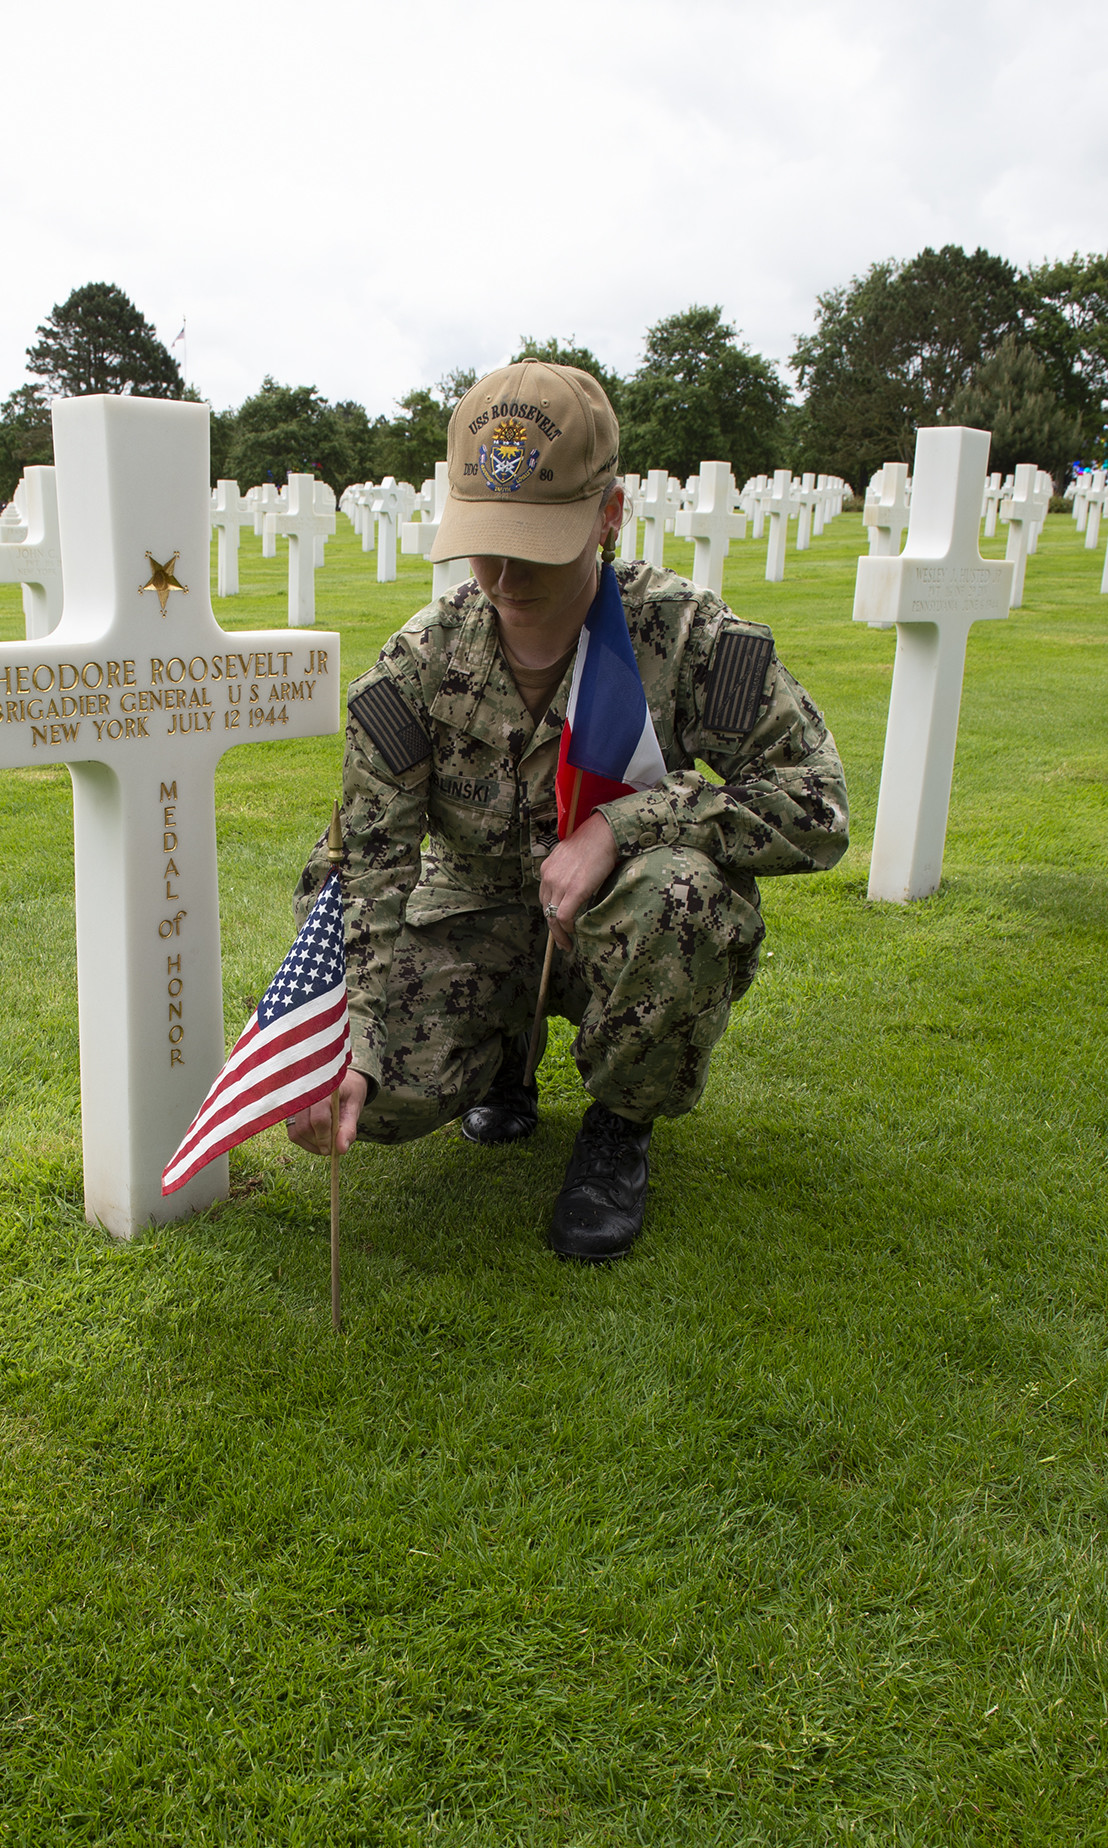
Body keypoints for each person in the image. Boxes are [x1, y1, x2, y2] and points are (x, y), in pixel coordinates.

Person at [286, 360, 848, 1260]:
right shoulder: (418, 665)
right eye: (486, 539)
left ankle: (620, 1125)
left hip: (614, 932)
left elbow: (816, 803)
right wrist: (342, 1033)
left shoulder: (687, 636)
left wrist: (624, 826)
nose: (505, 574)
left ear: (609, 516)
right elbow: (366, 862)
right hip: (473, 920)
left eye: (537, 541)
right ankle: (501, 1058)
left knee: (681, 898)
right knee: (374, 1095)